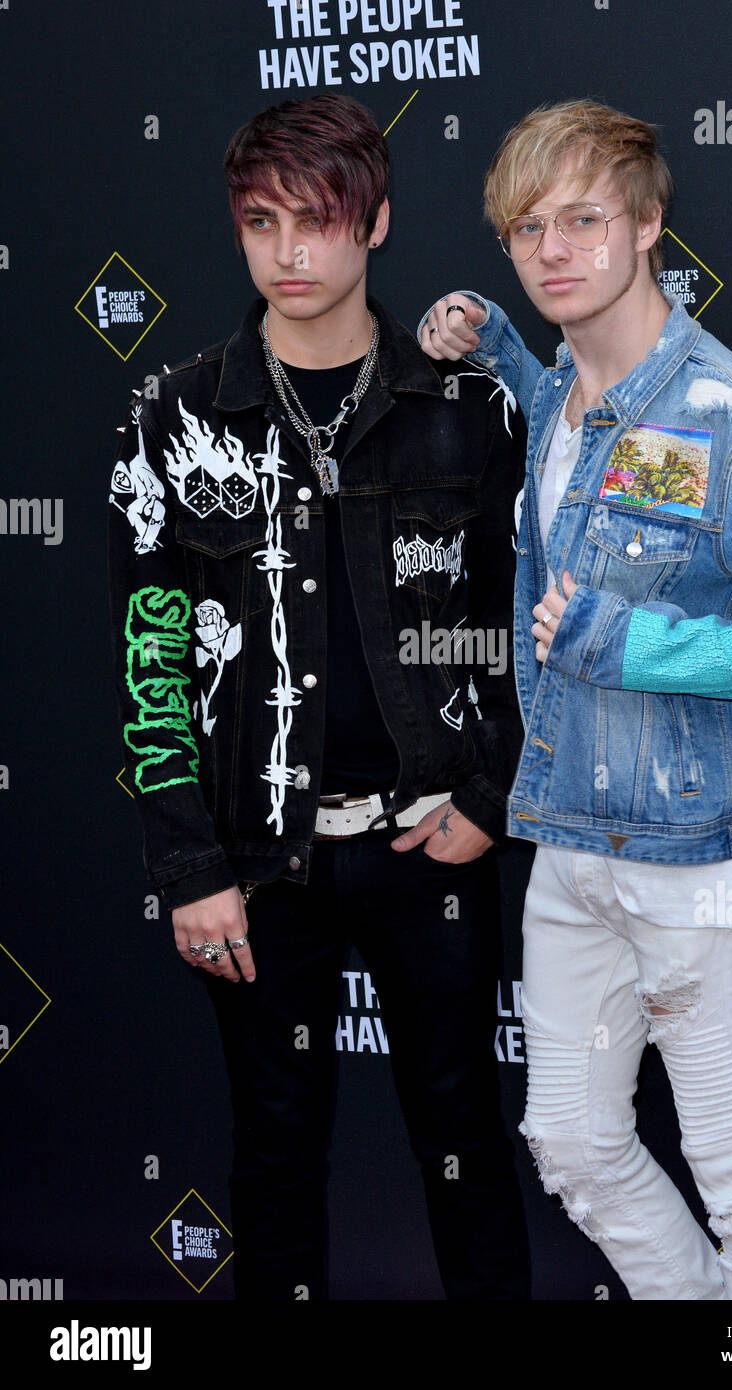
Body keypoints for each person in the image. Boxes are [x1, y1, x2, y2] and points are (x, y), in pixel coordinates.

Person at [419, 98, 732, 1300]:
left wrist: (640, 647)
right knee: (569, 1141)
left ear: (647, 223)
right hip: (571, 840)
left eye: (583, 218)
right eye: (527, 229)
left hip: (700, 857)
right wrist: (503, 353)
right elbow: (593, 464)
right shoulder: (569, 394)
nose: (552, 251)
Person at [108, 93, 531, 1301]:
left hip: (432, 841)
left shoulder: (466, 409)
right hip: (258, 857)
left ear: (378, 222)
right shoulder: (175, 416)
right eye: (260, 221)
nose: (289, 253)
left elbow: (526, 631)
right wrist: (188, 868)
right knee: (275, 1157)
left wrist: (491, 794)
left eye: (319, 219)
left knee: (465, 1148)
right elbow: (149, 661)